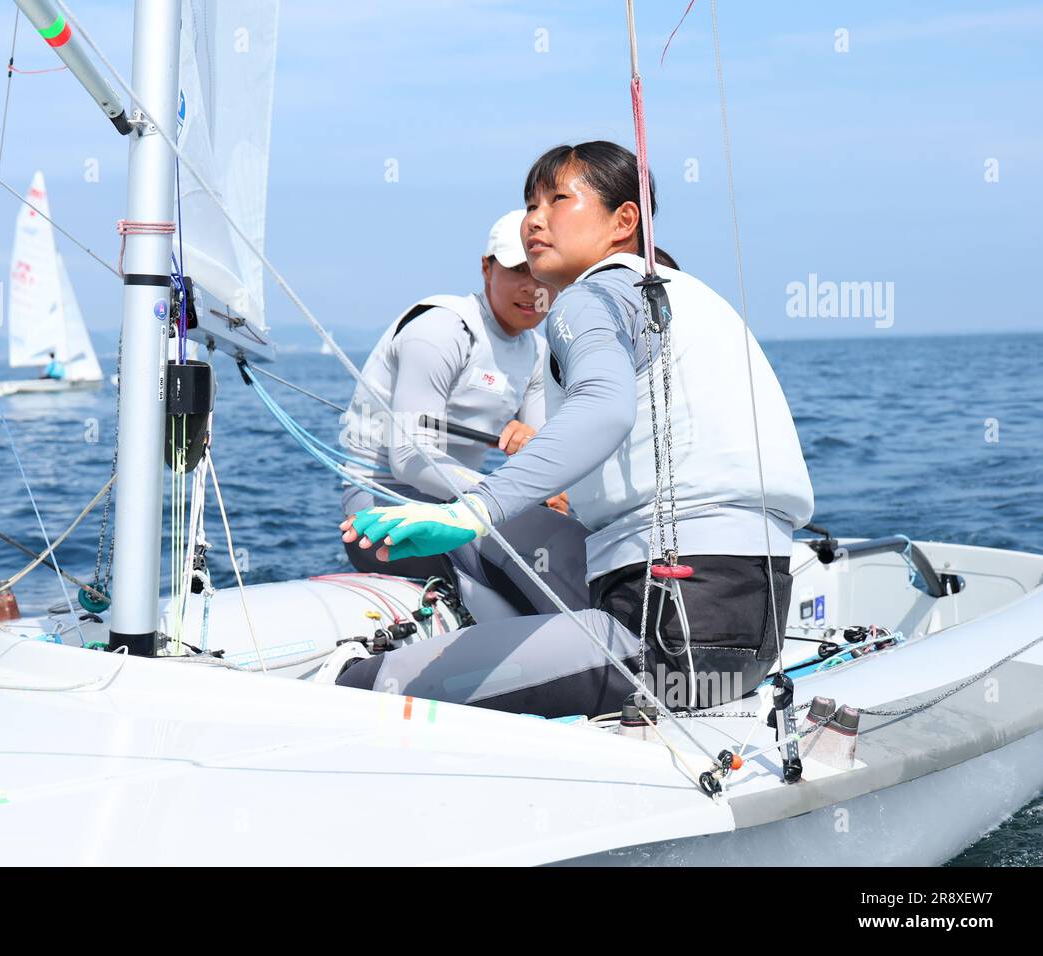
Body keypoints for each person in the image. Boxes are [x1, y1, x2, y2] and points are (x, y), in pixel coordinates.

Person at [338, 141, 814, 715]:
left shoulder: (588, 298)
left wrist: (473, 511)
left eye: (558, 199)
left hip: (661, 631)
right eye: (529, 203)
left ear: (624, 220)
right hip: (749, 628)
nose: (534, 219)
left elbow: (604, 409)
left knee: (365, 687)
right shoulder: (682, 296)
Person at [337, 210, 592, 617]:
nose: (532, 288)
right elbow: (409, 460)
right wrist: (505, 497)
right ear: (486, 269)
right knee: (537, 550)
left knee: (573, 537)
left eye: (544, 274)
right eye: (518, 270)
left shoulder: (537, 353)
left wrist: (540, 463)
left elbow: (548, 467)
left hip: (465, 504)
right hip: (382, 505)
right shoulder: (442, 330)